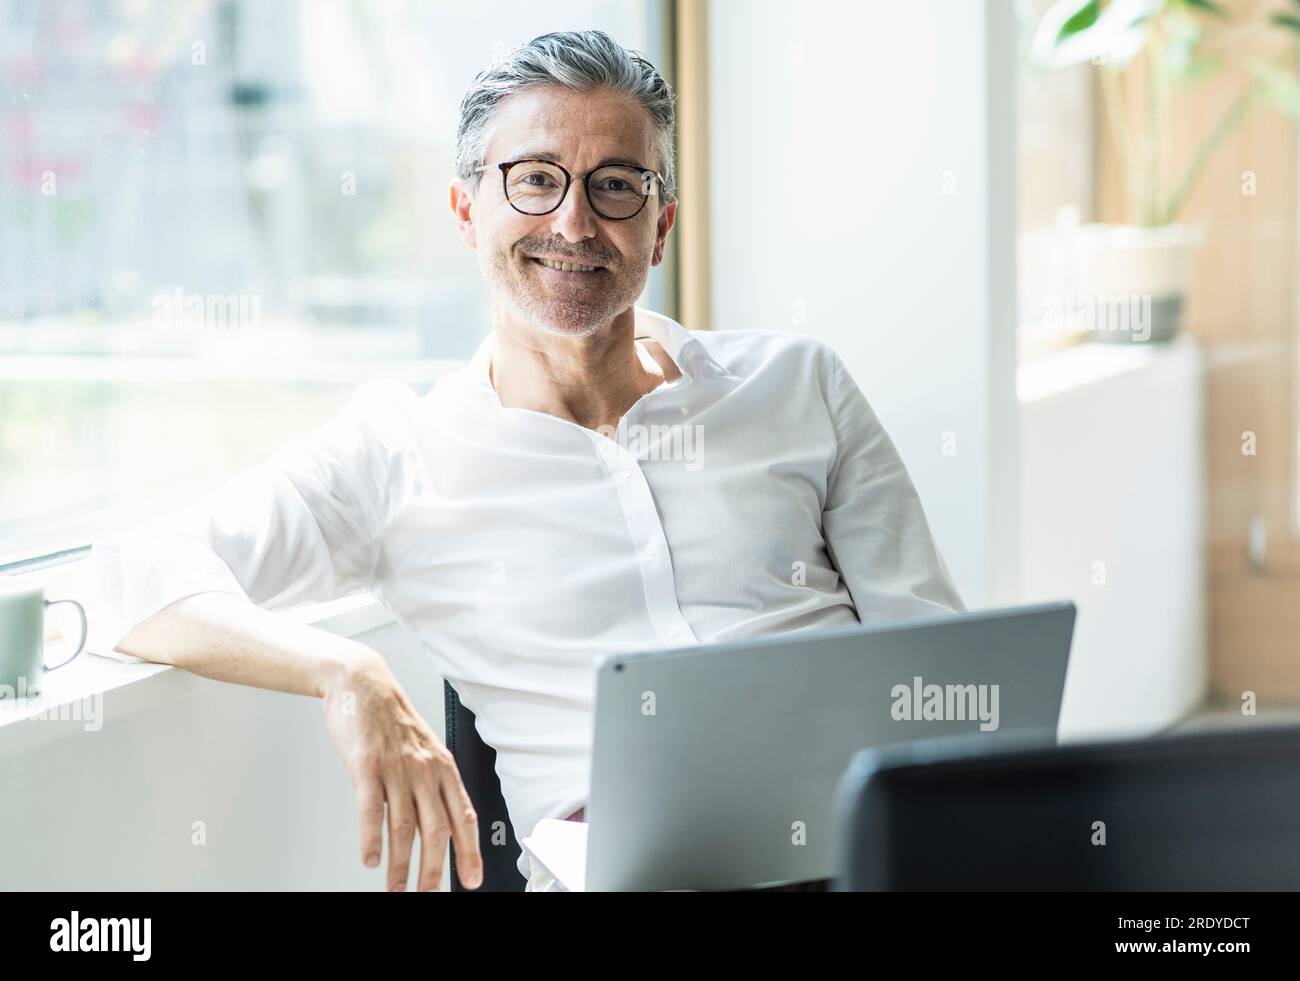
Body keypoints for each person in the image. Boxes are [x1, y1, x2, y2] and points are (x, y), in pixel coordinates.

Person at [83, 29, 964, 893]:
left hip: (863, 857)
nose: (574, 223)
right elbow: (135, 578)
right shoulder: (401, 455)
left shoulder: (797, 384)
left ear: (660, 226)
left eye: (615, 185)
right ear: (468, 212)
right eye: (536, 179)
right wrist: (342, 671)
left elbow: (946, 676)